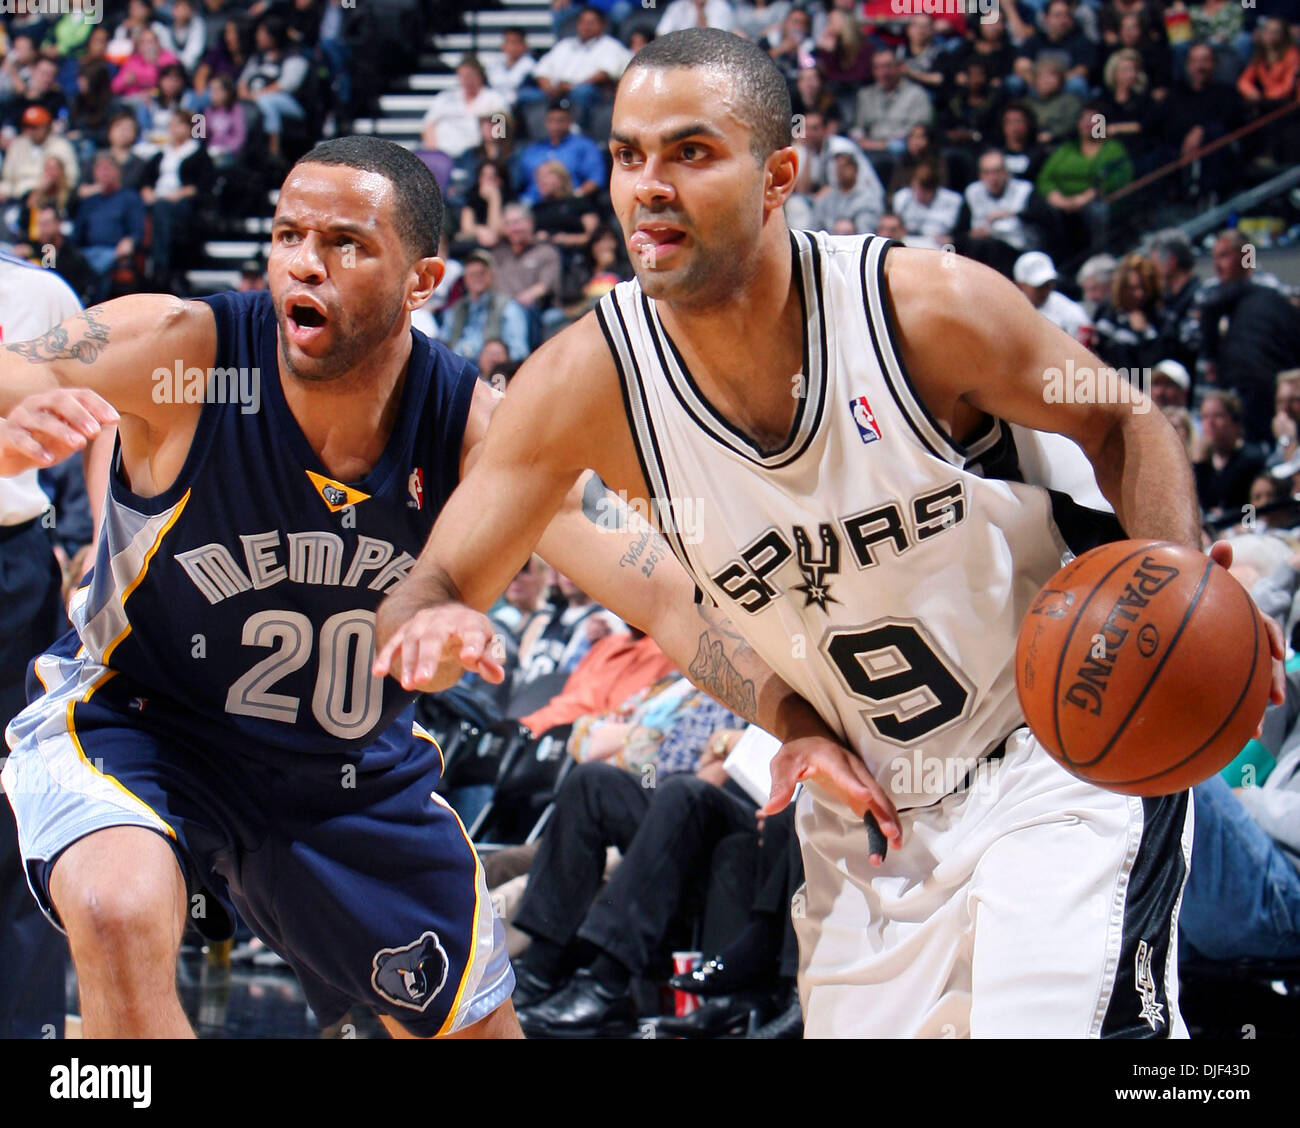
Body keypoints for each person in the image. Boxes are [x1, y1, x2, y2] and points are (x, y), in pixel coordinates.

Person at [373, 28, 1287, 1038]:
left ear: (778, 175)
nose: (648, 185)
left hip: (1051, 747)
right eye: (629, 155)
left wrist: (1173, 586)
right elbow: (528, 587)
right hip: (872, 807)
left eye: (690, 151)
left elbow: (1121, 417)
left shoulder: (919, 308)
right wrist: (428, 619)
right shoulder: (580, 384)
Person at [1, 135, 832, 1040]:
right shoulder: (187, 349)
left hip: (347, 775)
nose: (303, 265)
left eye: (346, 243)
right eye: (287, 236)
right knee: (116, 908)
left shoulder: (480, 431)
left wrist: (796, 720)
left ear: (422, 280)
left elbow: (667, 597)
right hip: (140, 725)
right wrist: (14, 413)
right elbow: (20, 360)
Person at [1014, 249, 1093, 345]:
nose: (1045, 290)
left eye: (1048, 284)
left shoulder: (1071, 313)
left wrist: (1068, 360)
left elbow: (1077, 357)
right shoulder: (1009, 310)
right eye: (1039, 286)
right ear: (1020, 285)